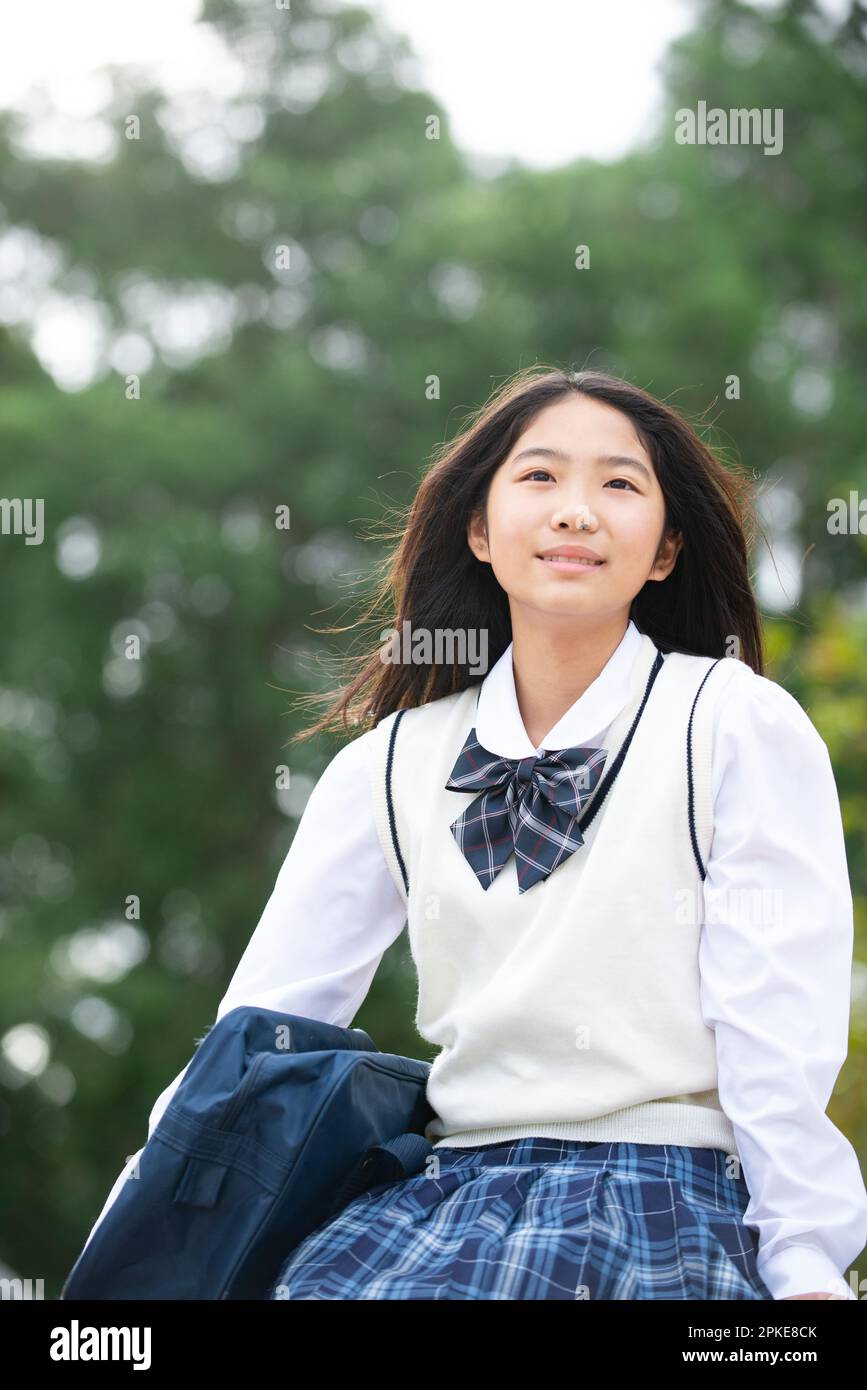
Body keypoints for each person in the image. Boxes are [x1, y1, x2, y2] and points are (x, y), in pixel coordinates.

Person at [85, 367, 866, 1300]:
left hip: (671, 1198)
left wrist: (805, 1263)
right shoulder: (384, 766)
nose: (576, 511)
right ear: (479, 530)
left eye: (619, 485)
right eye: (538, 478)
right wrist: (126, 1244)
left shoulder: (732, 723)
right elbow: (257, 1038)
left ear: (663, 551)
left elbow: (774, 1028)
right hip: (442, 1207)